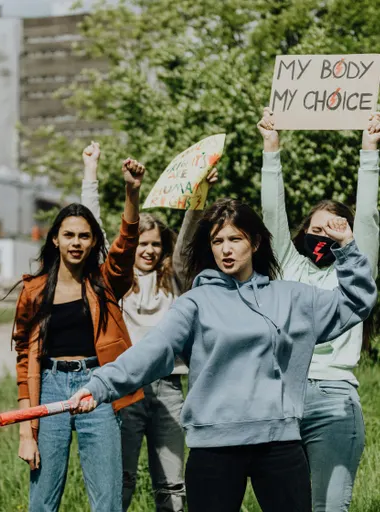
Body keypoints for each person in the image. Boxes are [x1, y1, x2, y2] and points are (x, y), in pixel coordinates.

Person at [69, 198, 377, 512]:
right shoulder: (195, 303)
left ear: (255, 242)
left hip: (278, 442)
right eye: (217, 241)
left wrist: (347, 247)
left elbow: (357, 301)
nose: (226, 249)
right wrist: (101, 385)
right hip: (214, 446)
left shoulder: (290, 297)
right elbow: (152, 351)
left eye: (234, 239)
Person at [80, 141, 217, 512]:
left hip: (170, 388)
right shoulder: (115, 279)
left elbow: (190, 237)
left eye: (156, 244)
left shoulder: (176, 279)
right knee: (121, 479)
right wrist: (90, 171)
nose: (149, 250)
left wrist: (199, 192)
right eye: (142, 242)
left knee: (173, 483)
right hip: (126, 386)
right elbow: (94, 228)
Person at [258, 108, 380, 512]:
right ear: (303, 234)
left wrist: (369, 151)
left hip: (335, 400)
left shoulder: (353, 272)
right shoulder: (288, 266)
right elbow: (273, 215)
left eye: (334, 228)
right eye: (316, 229)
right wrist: (271, 149)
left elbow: (367, 217)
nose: (324, 235)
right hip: (281, 399)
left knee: (329, 507)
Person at [13, 152, 146, 511]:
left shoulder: (104, 282)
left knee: (107, 500)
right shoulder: (34, 290)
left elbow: (125, 248)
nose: (76, 242)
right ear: (54, 239)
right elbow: (25, 362)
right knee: (42, 501)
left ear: (92, 242)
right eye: (68, 235)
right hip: (51, 388)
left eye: (84, 236)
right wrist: (27, 430)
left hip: (97, 386)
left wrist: (131, 194)